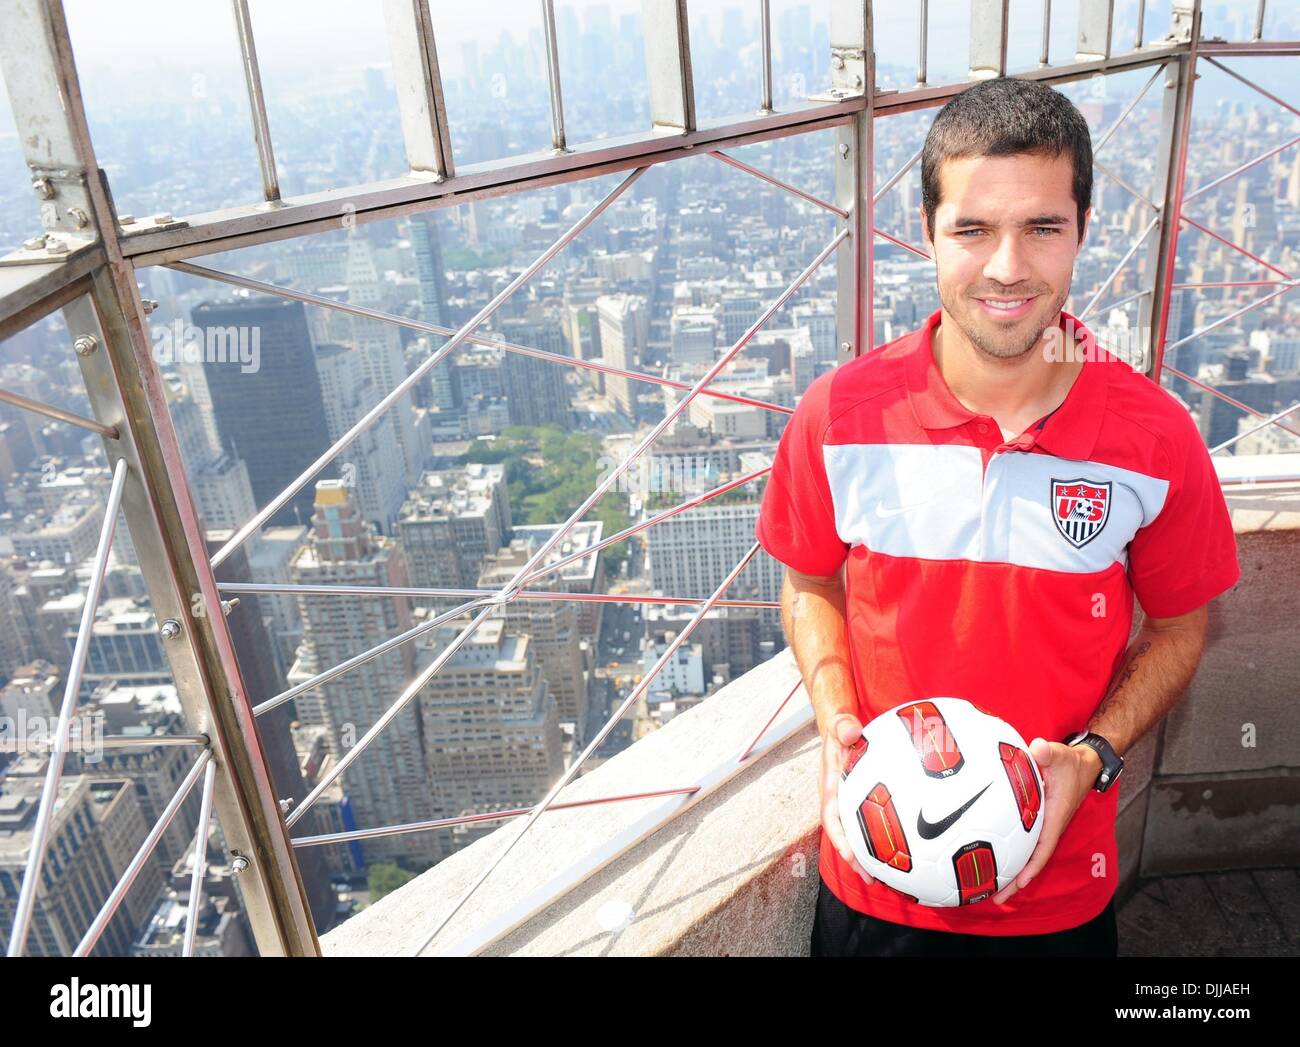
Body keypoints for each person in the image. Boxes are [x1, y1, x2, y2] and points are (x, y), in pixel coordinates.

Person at [754, 76, 1241, 958]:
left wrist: (1093, 756)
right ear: (928, 235)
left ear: (1083, 231)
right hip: (874, 873)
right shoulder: (839, 416)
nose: (1009, 266)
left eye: (1042, 227)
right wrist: (835, 720)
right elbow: (810, 582)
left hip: (1058, 891)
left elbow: (1180, 628)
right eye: (973, 229)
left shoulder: (1157, 440)